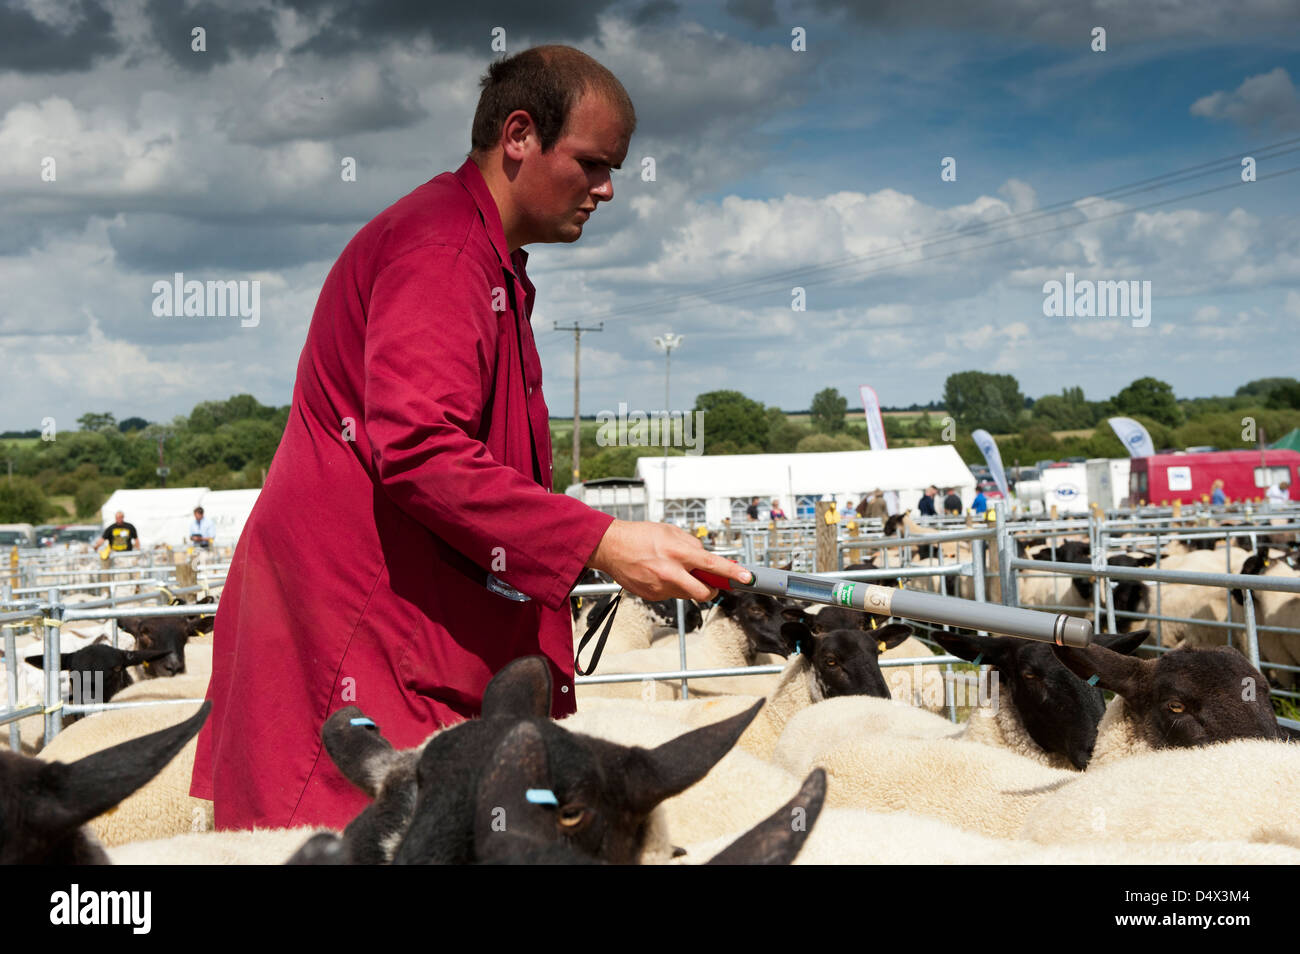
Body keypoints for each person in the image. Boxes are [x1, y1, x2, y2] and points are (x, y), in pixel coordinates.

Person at [191, 46, 750, 832]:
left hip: (398, 611)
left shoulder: (476, 251)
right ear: (518, 135)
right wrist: (603, 541)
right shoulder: (444, 251)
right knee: (366, 839)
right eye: (591, 163)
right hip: (361, 621)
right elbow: (421, 449)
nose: (608, 189)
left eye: (613, 168)